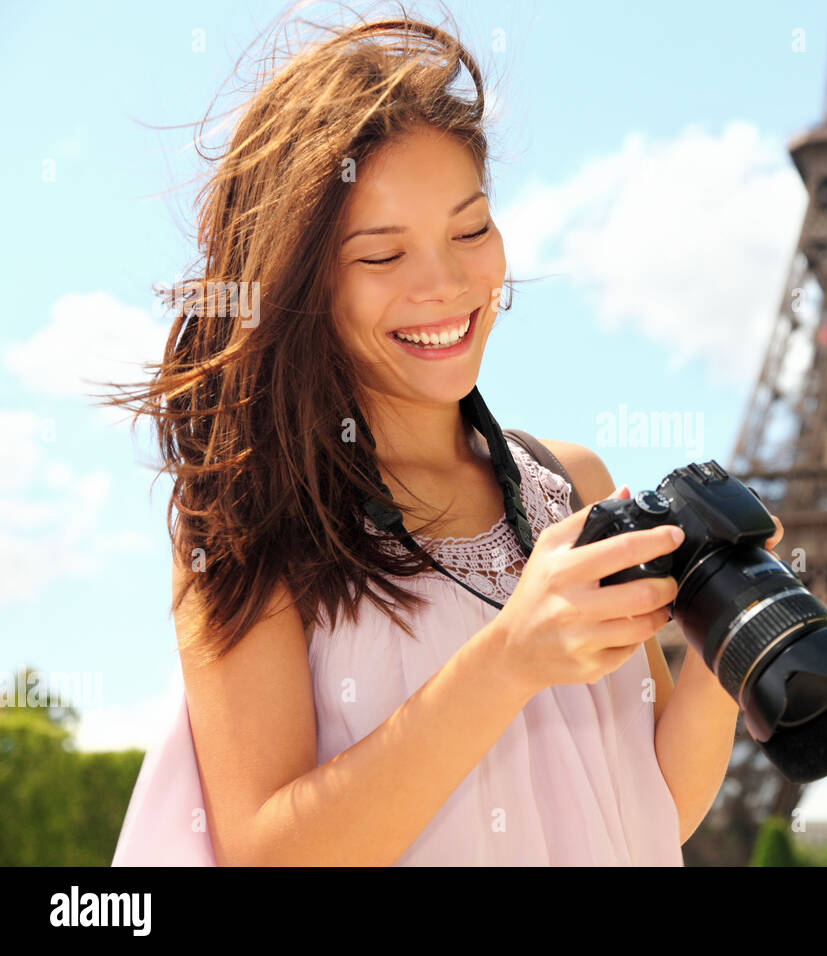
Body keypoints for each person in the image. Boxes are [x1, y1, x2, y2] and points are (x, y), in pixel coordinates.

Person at [103, 10, 782, 866]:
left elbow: (649, 804)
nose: (449, 283)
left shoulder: (569, 485)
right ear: (299, 281)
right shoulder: (245, 520)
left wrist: (736, 623)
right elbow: (266, 854)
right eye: (383, 257)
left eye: (471, 230)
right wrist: (508, 662)